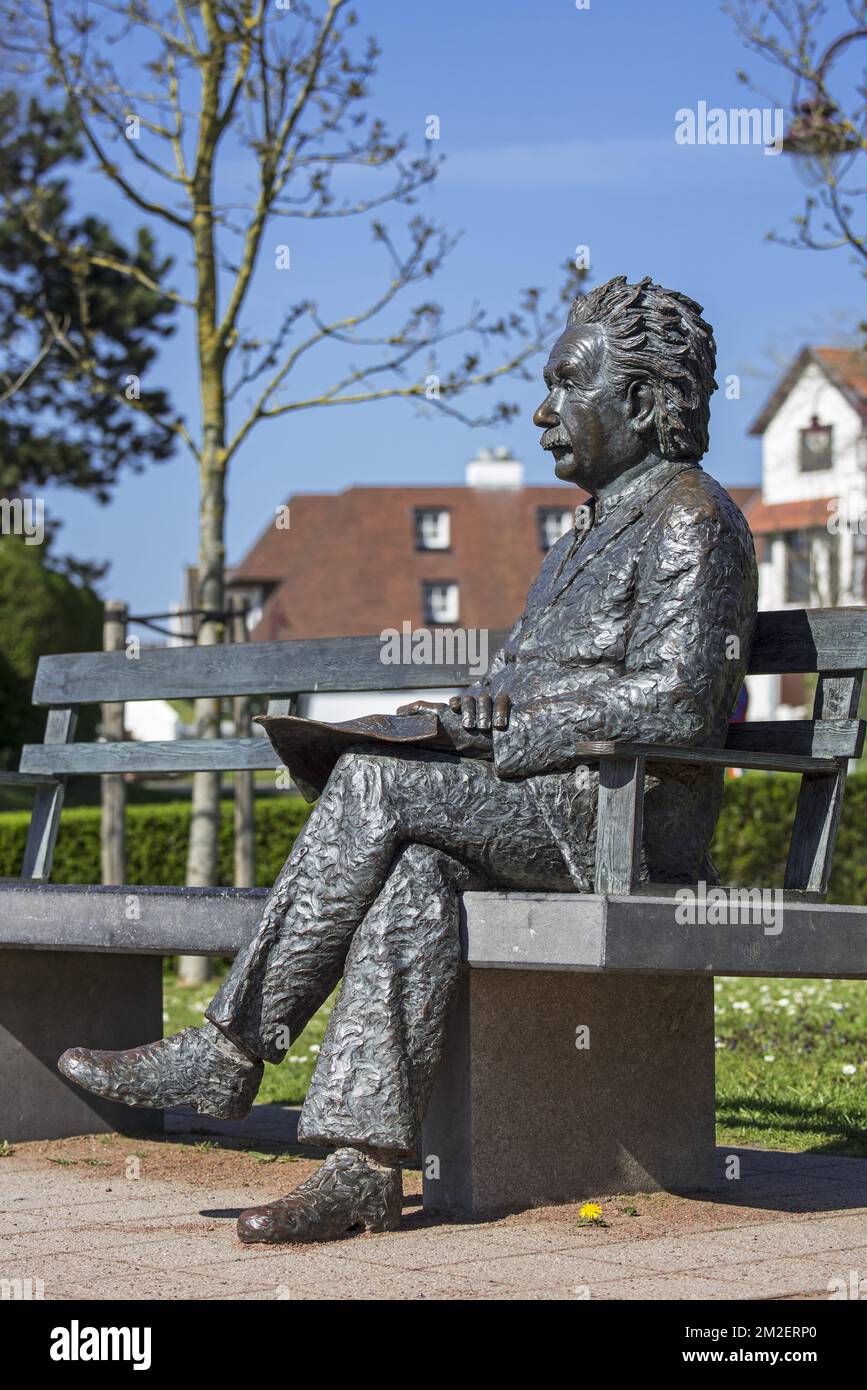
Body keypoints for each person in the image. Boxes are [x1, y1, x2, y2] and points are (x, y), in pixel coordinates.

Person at [59, 275, 758, 1244]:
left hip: (626, 820)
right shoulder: (580, 539)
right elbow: (527, 680)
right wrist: (459, 713)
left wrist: (505, 726)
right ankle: (363, 1167)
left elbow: (683, 699)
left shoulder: (693, 519)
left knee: (377, 783)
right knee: (418, 876)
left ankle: (226, 1053)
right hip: (546, 799)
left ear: (643, 402)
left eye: (568, 386)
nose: (543, 412)